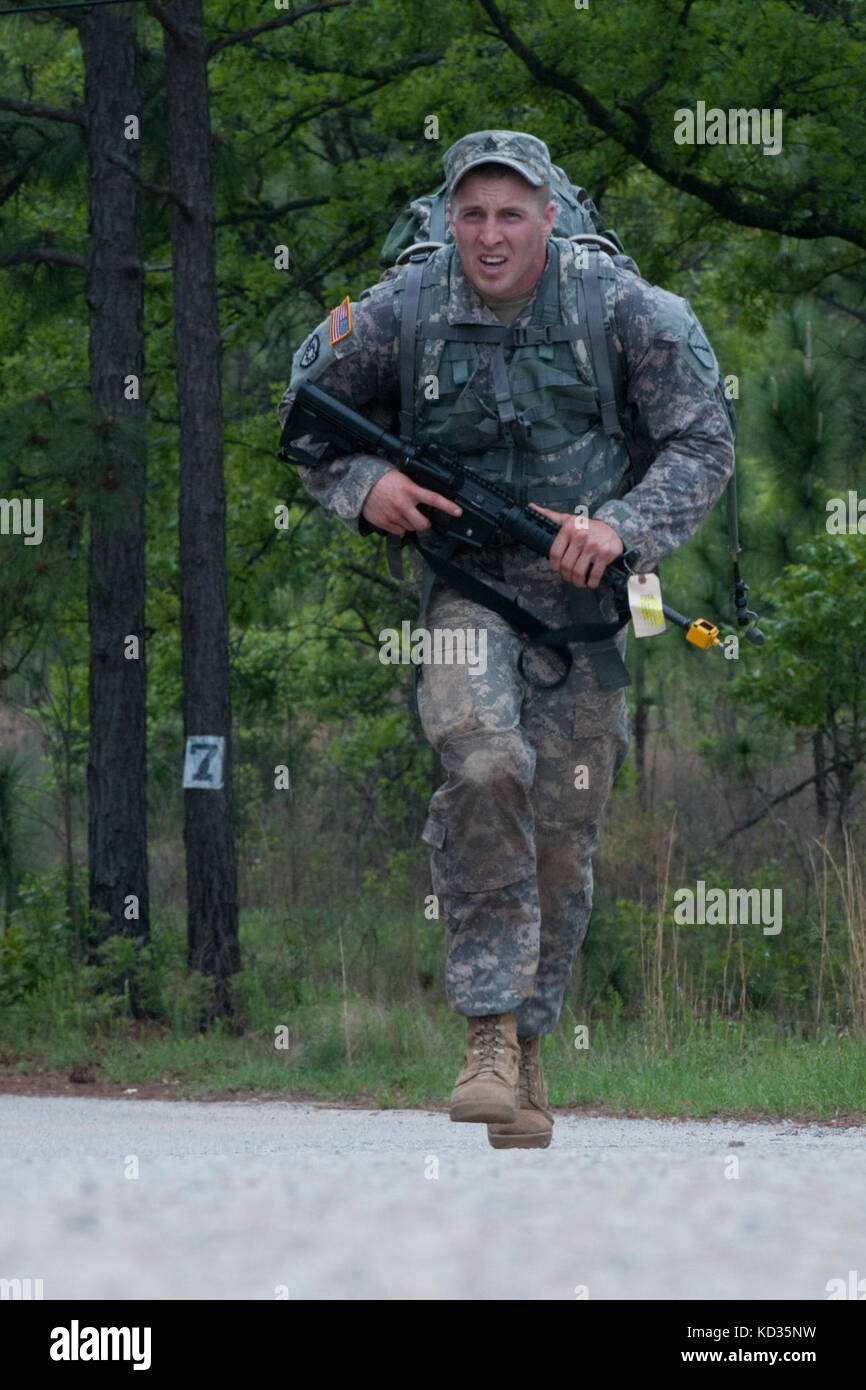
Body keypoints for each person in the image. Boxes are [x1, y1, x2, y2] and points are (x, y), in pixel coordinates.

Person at [277, 130, 734, 1149]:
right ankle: (484, 1035)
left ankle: (528, 1050)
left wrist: (620, 527)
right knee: (484, 765)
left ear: (549, 218)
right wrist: (366, 488)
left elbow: (703, 439)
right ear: (448, 218)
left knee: (565, 845)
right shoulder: (399, 309)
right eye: (472, 213)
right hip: (463, 594)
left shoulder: (623, 310)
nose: (490, 236)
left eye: (510, 214)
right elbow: (301, 415)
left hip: (581, 611)